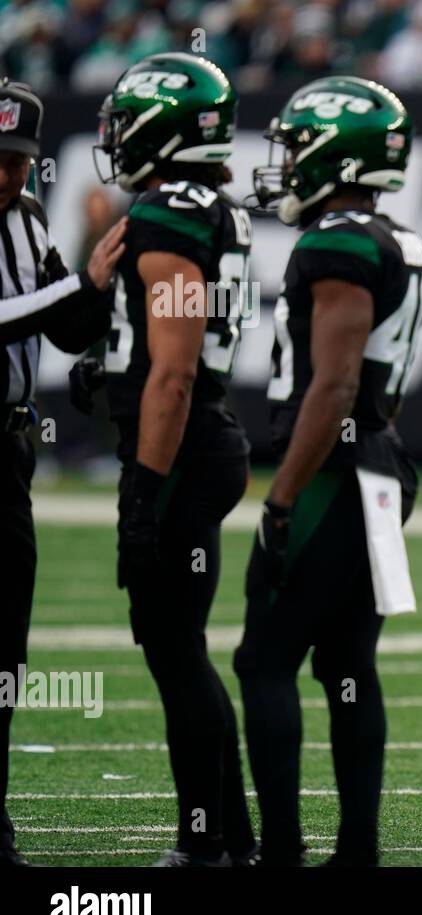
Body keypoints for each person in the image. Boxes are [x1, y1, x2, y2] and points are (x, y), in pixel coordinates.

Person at [240, 76, 422, 866]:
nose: (283, 162)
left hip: (333, 473)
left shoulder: (338, 243)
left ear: (330, 152)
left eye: (294, 146)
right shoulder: (396, 238)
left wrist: (281, 501)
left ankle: (281, 851)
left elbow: (336, 383)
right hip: (380, 466)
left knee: (263, 661)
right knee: (349, 663)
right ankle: (357, 853)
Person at [96, 52, 256, 867]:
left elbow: (174, 370)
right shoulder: (217, 208)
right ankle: (232, 840)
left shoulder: (168, 217)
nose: (117, 138)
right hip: (207, 439)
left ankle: (208, 845)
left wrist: (142, 495)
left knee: (176, 652)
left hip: (183, 448)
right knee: (182, 649)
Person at [0, 78, 125, 868]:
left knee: (6, 650)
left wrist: (105, 286)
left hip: (9, 450)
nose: (5, 176)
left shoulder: (29, 217)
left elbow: (66, 321)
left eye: (15, 161)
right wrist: (77, 286)